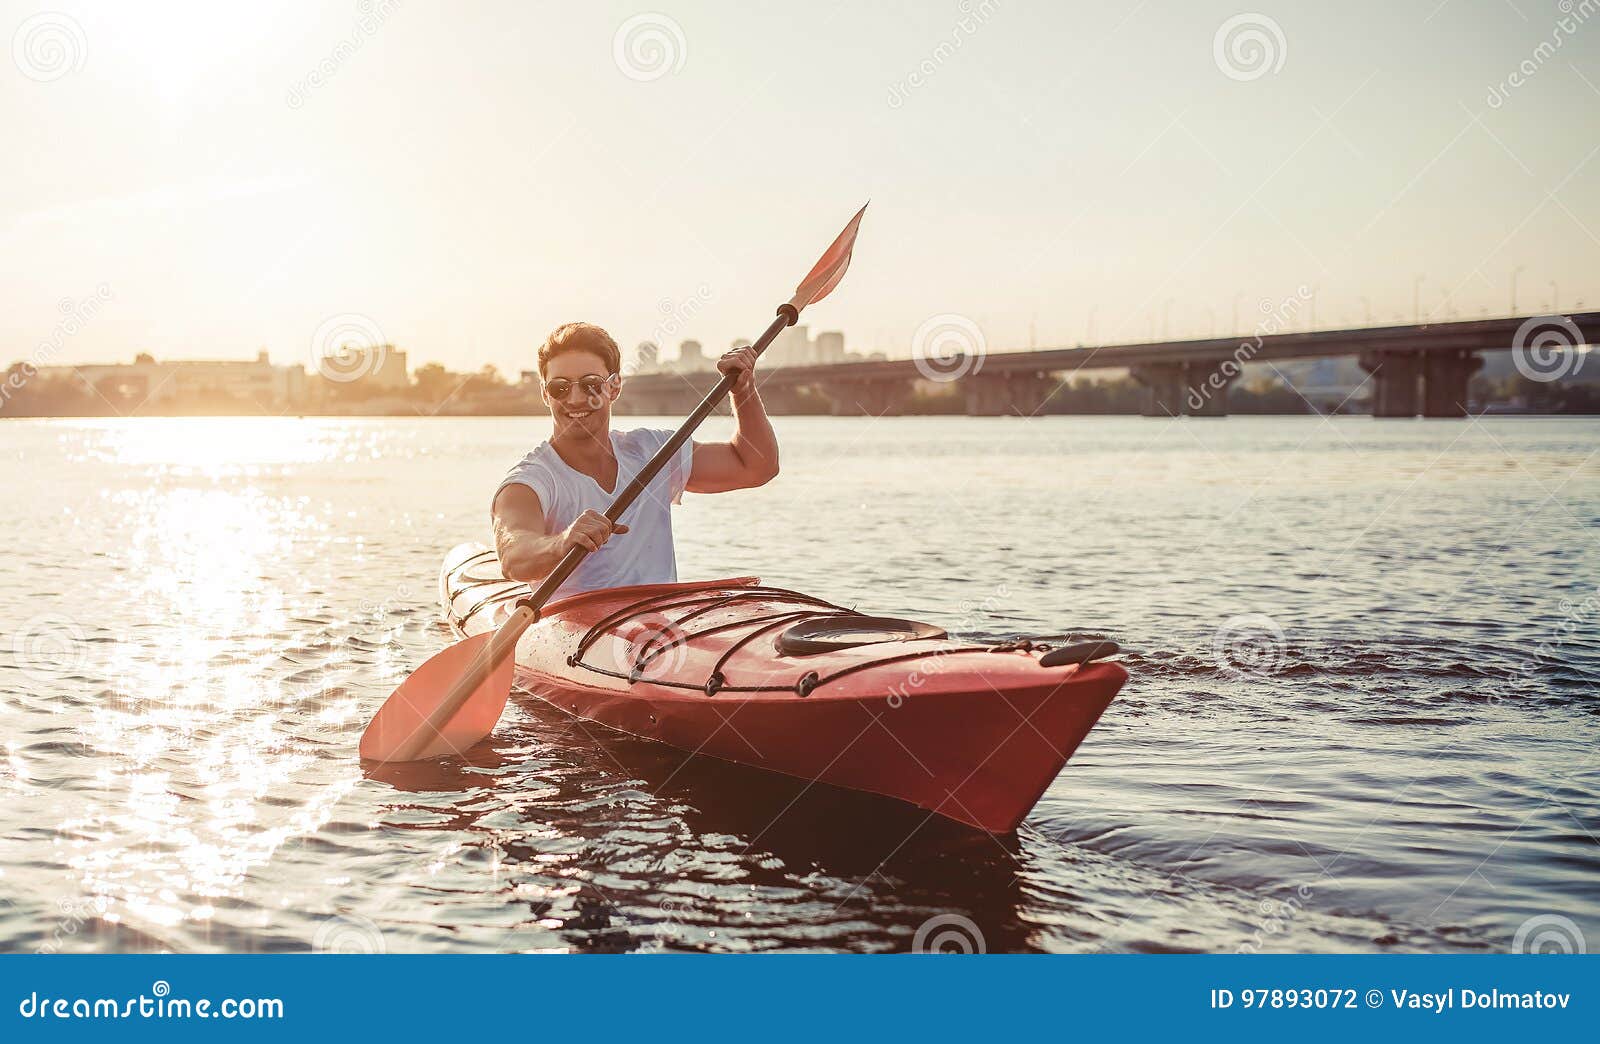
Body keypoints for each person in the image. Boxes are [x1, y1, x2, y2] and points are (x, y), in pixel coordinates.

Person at [492, 322, 778, 597]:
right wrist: (562, 542)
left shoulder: (653, 451)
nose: (575, 398)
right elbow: (514, 557)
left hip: (662, 622)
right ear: (545, 394)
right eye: (560, 388)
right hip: (573, 625)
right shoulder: (528, 482)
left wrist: (743, 389)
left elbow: (756, 467)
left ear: (614, 387)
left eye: (591, 384)